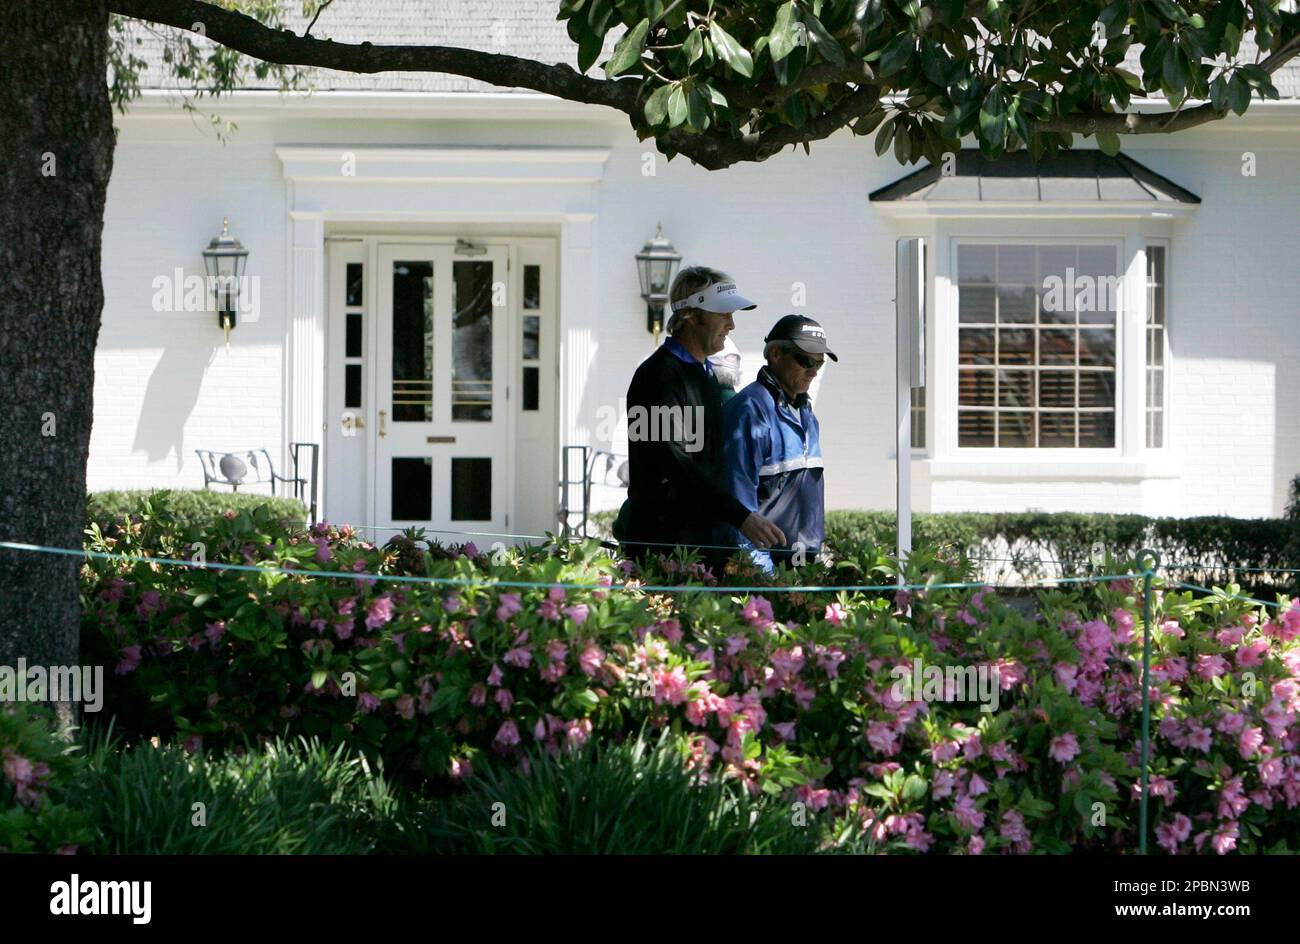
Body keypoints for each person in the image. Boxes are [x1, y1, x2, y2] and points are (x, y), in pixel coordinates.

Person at [613, 266, 785, 574]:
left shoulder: (705, 376)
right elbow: (678, 468)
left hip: (703, 548)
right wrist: (742, 516)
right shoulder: (657, 377)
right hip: (664, 553)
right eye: (723, 314)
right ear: (691, 314)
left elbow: (710, 469)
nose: (731, 325)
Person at [723, 314, 837, 575]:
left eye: (819, 364)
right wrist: (766, 577)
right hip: (764, 576)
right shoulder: (749, 410)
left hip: (801, 571)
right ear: (775, 354)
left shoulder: (807, 414)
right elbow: (737, 507)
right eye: (806, 360)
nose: (813, 372)